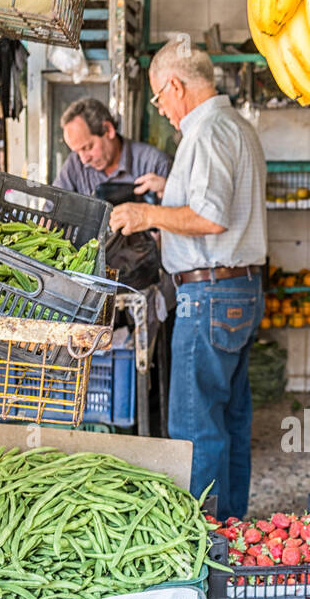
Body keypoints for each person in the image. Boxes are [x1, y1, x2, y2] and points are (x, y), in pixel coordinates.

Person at [110, 40, 267, 522]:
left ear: (175, 86)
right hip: (237, 290)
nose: (162, 108)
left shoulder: (208, 131)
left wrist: (145, 213)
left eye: (159, 97)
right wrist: (167, 190)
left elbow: (210, 217)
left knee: (195, 427)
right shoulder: (235, 125)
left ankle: (202, 547)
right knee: (230, 422)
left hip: (210, 295)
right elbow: (214, 202)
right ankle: (232, 535)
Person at [54, 96, 171, 197]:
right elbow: (49, 214)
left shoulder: (156, 164)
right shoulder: (74, 165)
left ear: (108, 130)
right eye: (77, 151)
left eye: (87, 147)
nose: (84, 160)